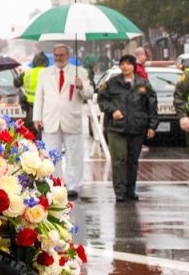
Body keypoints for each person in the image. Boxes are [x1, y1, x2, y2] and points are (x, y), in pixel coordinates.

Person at [33, 44, 94, 199]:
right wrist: (37, 117)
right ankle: (55, 183)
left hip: (71, 119)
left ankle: (73, 185)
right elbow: (39, 96)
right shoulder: (45, 74)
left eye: (61, 55)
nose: (58, 58)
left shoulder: (80, 72)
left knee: (74, 154)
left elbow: (89, 94)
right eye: (56, 55)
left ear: (68, 55)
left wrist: (81, 86)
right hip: (50, 119)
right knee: (52, 155)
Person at [97, 55, 157, 203]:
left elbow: (152, 106)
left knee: (132, 160)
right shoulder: (111, 83)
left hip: (137, 128)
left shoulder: (143, 84)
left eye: (128, 64)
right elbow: (102, 99)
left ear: (134, 66)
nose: (125, 67)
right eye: (122, 64)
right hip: (116, 128)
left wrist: (152, 125)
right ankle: (120, 192)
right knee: (119, 159)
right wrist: (112, 110)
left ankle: (131, 190)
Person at [22, 53, 47, 124]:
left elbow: (16, 83)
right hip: (44, 104)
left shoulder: (28, 72)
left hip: (29, 105)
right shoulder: (49, 72)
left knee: (32, 129)